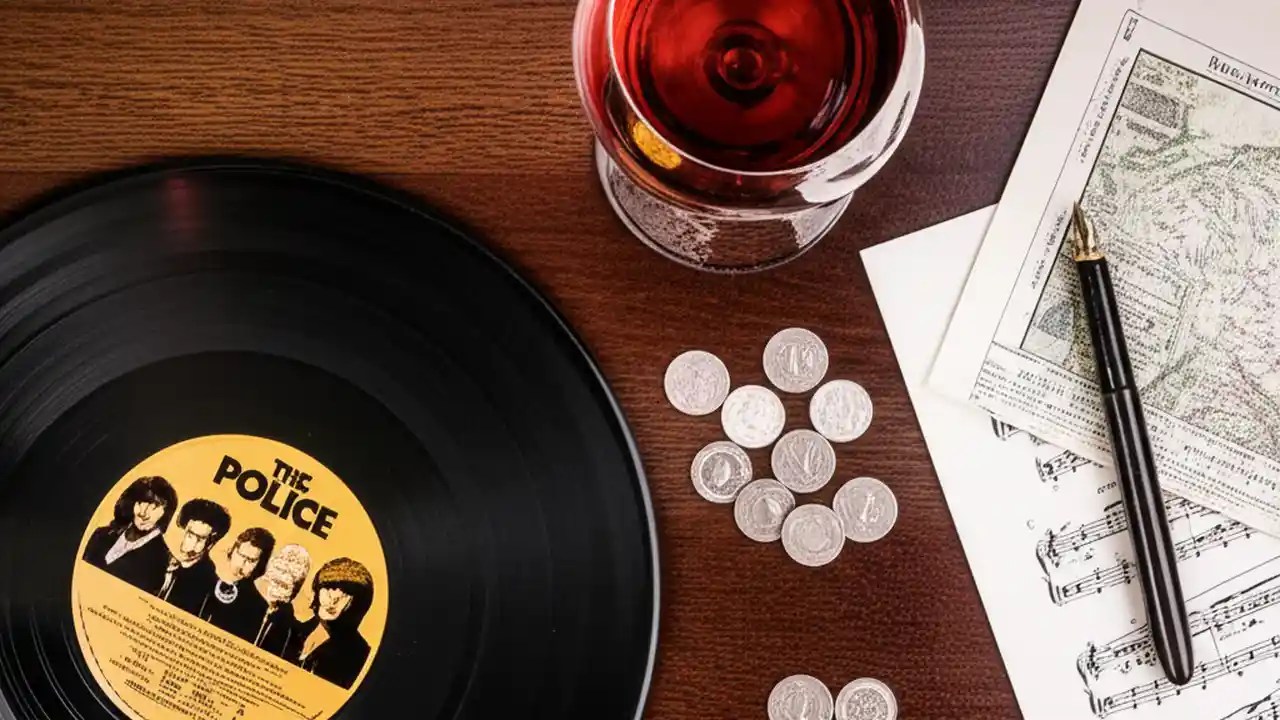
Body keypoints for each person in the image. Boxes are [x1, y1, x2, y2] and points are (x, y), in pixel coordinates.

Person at [286, 557, 374, 689]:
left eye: (345, 594)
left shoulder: (359, 653)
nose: (332, 601)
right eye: (328, 588)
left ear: (357, 602)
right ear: (317, 589)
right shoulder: (294, 629)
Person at [82, 476, 179, 594]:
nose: (144, 513)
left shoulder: (163, 561)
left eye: (154, 507)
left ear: (165, 513)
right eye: (140, 503)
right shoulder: (101, 535)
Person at [158, 498, 231, 616]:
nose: (191, 546)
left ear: (211, 543)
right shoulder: (163, 561)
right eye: (190, 535)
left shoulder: (209, 585)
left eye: (200, 539)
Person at [200, 527, 275, 642]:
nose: (241, 564)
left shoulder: (257, 606)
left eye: (251, 560)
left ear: (260, 564)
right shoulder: (207, 573)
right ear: (233, 550)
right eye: (241, 555)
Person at [251, 544, 312, 658]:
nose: (276, 588)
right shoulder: (246, 599)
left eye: (283, 585)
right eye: (279, 571)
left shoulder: (290, 629)